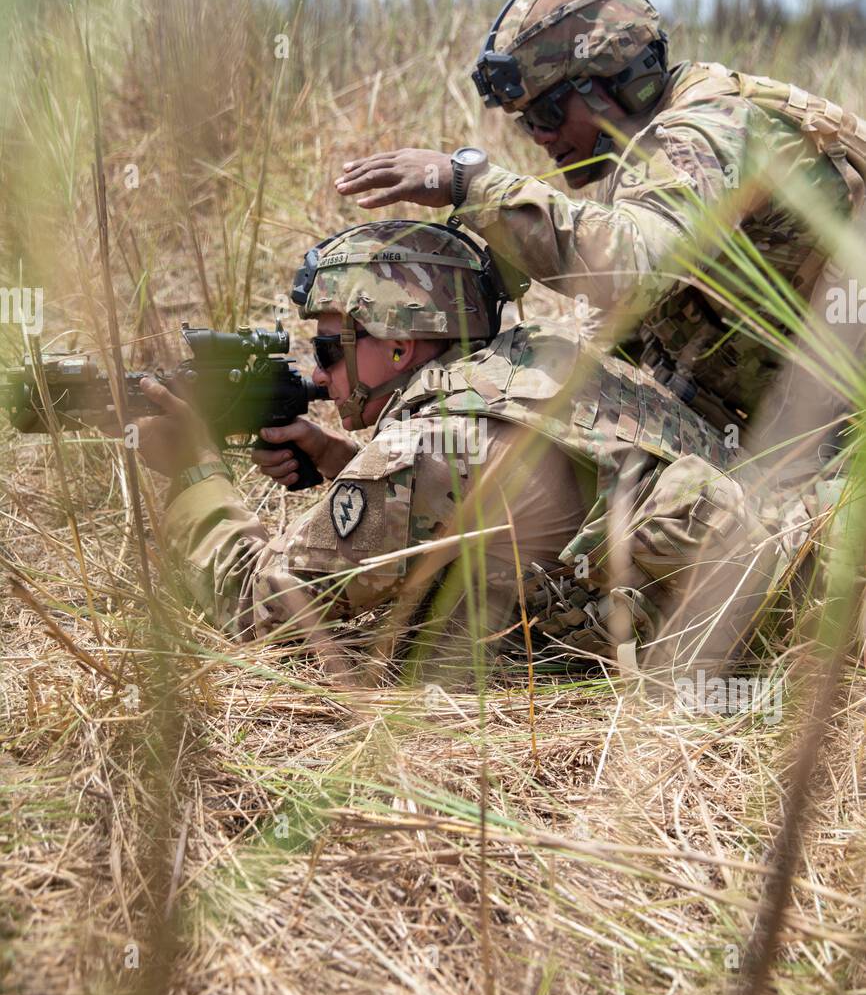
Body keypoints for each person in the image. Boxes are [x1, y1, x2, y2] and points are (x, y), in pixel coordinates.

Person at [333, 0, 866, 651]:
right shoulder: (668, 143)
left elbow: (630, 268)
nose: (544, 138)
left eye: (552, 112)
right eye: (527, 124)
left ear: (620, 81)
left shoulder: (707, 130)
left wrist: (468, 183)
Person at [131, 219, 769, 682]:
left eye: (330, 351)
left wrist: (196, 474)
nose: (321, 378)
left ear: (402, 348)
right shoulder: (544, 359)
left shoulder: (425, 447)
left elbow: (263, 612)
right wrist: (338, 460)